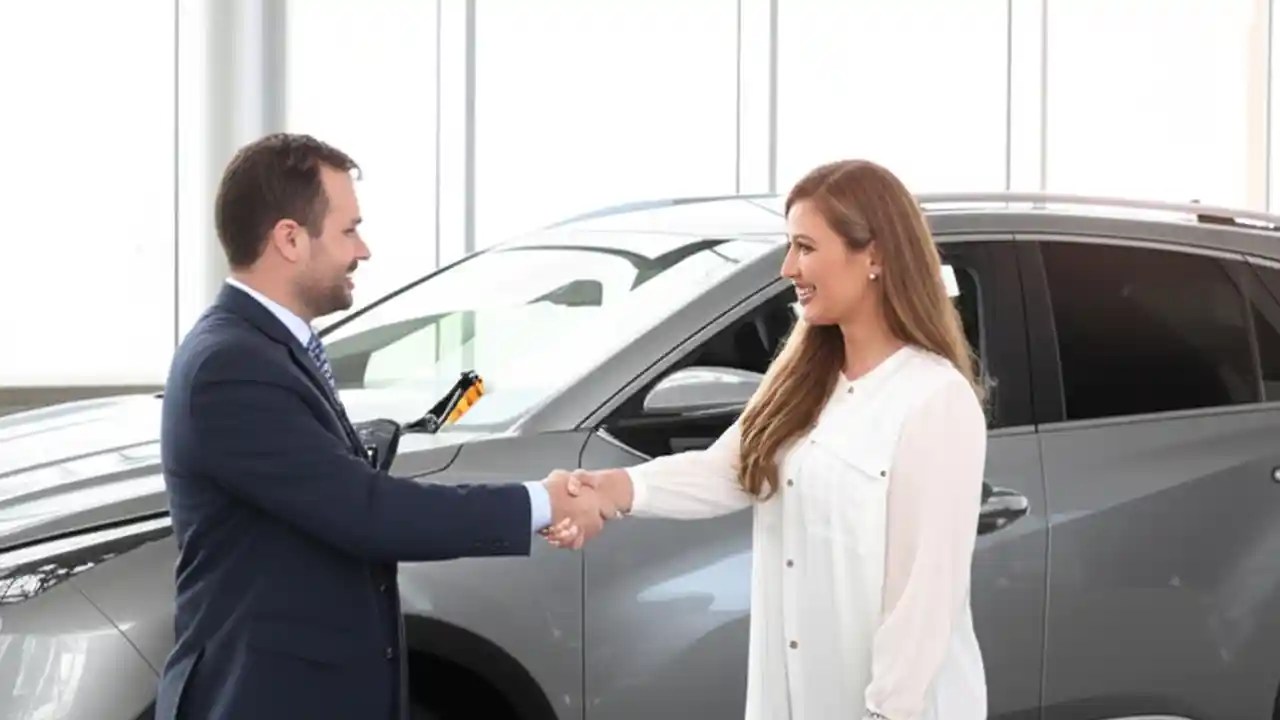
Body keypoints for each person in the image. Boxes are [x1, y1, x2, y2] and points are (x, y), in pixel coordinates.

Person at [157, 132, 610, 720]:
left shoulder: (266, 348)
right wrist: (543, 503)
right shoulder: (232, 366)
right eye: (348, 230)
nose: (363, 250)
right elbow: (367, 512)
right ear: (289, 239)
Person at [546, 159, 989, 719]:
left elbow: (923, 600)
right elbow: (729, 470)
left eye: (805, 247)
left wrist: (886, 711)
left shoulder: (933, 399)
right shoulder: (805, 380)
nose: (787, 268)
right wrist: (609, 489)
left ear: (874, 255)